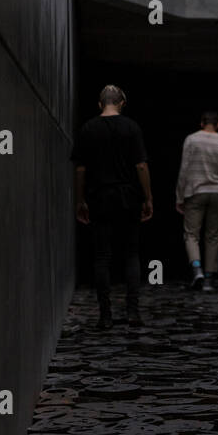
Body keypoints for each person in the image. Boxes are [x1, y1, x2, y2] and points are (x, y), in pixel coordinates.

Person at [72, 85, 154, 329]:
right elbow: (141, 166)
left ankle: (105, 314)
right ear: (122, 102)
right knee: (130, 254)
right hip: (128, 196)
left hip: (99, 196)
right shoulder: (131, 128)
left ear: (100, 104)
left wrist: (80, 200)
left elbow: (80, 169)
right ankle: (132, 311)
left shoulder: (88, 129)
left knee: (102, 256)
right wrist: (148, 197)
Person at [176, 110, 218, 291]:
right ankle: (209, 277)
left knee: (191, 234)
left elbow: (184, 169)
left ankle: (197, 269)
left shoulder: (191, 140)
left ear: (201, 123)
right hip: (216, 192)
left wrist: (179, 196)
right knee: (213, 236)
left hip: (195, 191)